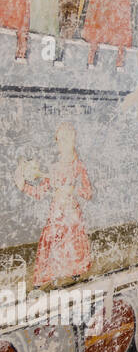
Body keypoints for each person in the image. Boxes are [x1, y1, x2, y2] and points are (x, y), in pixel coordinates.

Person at [16, 121, 93, 287]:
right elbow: (40, 192)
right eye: (59, 140)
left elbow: (88, 193)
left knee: (72, 245)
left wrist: (72, 189)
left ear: (72, 141)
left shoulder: (78, 166)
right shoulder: (54, 168)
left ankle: (73, 276)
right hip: (56, 213)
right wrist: (23, 185)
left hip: (71, 214)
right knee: (52, 241)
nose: (61, 144)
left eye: (65, 140)